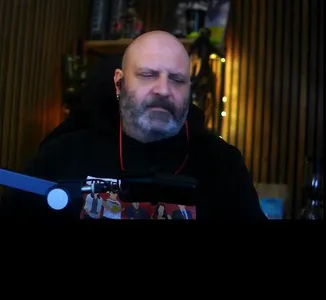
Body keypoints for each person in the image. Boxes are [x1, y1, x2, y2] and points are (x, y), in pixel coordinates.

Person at [0, 31, 266, 221]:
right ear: (119, 83)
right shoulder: (62, 155)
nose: (163, 90)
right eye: (148, 75)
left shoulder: (223, 164)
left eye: (177, 80)